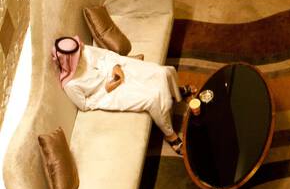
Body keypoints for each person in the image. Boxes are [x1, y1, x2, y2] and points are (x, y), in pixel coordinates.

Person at [52, 36, 194, 154]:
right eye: (77, 56)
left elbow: (105, 55)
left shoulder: (83, 50)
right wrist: (106, 89)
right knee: (152, 98)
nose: (81, 54)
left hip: (117, 70)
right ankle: (170, 134)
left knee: (163, 72)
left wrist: (115, 66)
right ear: (68, 60)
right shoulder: (71, 85)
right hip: (109, 94)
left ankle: (176, 93)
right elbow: (84, 104)